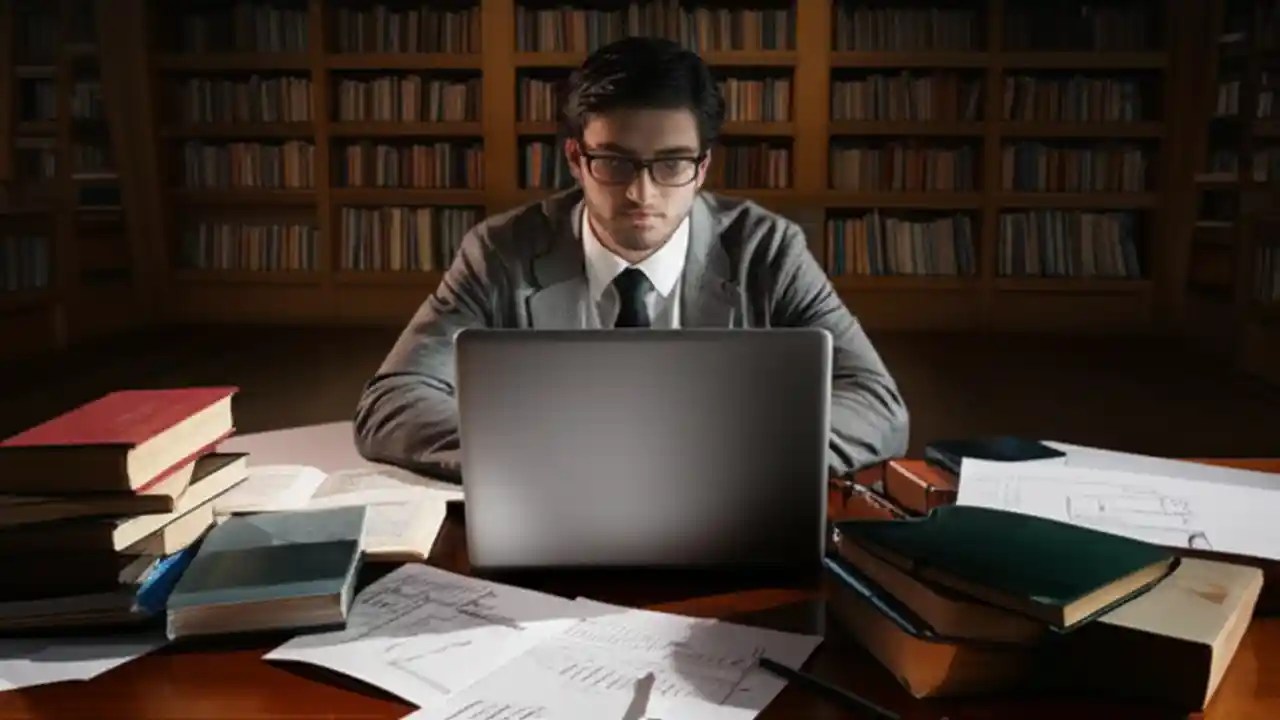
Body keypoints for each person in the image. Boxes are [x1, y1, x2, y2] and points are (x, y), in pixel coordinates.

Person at [353, 36, 909, 482]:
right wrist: (542, 454)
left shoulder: (767, 250)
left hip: (722, 515)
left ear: (703, 166)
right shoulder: (500, 252)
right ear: (576, 157)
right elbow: (394, 402)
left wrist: (734, 457)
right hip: (552, 512)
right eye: (615, 163)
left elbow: (875, 403)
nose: (642, 194)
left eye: (671, 164)